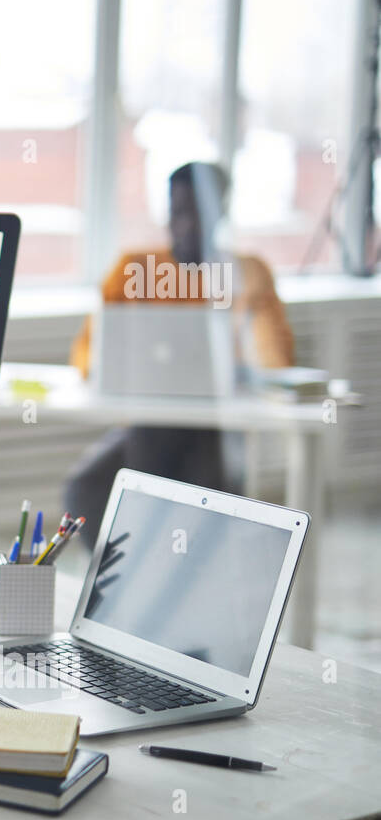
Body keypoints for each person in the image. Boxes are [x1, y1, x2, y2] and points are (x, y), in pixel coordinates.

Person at [64, 162, 295, 546]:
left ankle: (152, 567)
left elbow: (277, 363)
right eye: (177, 212)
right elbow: (88, 356)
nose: (185, 225)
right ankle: (127, 576)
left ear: (220, 212)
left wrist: (248, 312)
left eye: (197, 213)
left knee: (174, 494)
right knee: (85, 490)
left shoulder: (245, 272)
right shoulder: (135, 269)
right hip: (148, 422)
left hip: (214, 427)